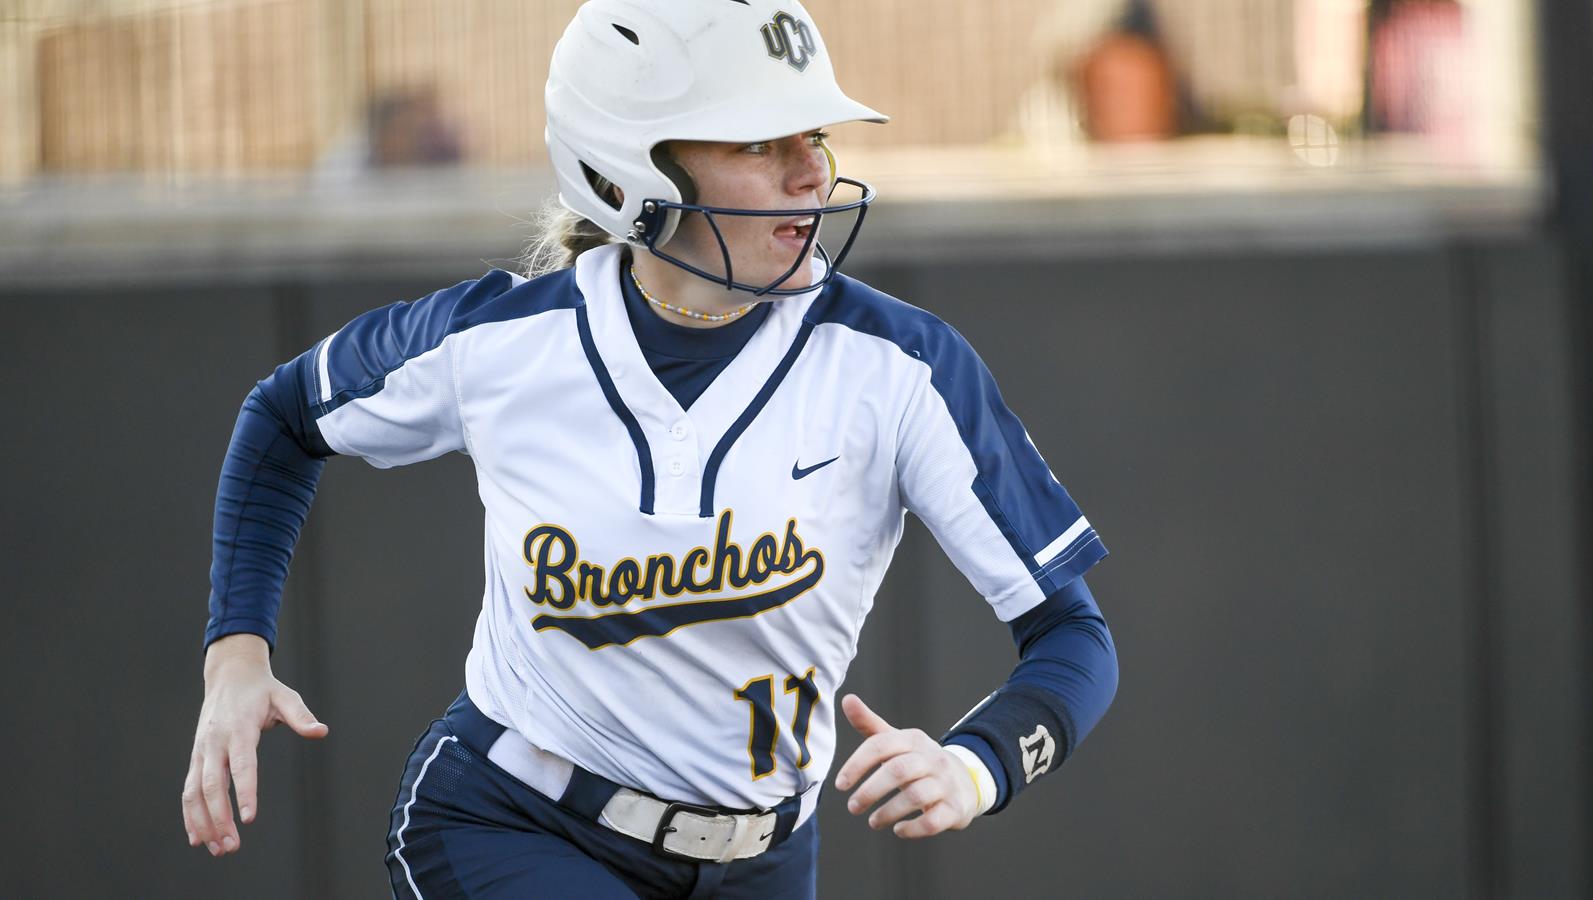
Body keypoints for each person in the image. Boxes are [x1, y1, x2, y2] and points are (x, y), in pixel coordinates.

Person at [182, 1, 1118, 897]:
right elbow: (284, 417)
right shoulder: (501, 340)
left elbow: (1074, 636)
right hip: (512, 821)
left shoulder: (899, 367)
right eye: (760, 140)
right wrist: (237, 652)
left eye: (814, 136)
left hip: (766, 858)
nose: (810, 172)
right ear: (629, 174)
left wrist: (974, 767)